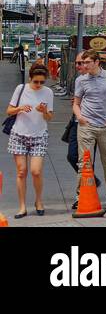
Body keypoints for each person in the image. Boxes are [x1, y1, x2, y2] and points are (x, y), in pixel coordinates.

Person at [7, 62, 54, 217]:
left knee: (36, 171)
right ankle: (22, 206)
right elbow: (9, 111)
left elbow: (49, 117)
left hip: (39, 135)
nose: (39, 84)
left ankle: (38, 201)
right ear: (30, 78)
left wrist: (44, 111)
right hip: (19, 134)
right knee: (21, 172)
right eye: (36, 81)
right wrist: (20, 108)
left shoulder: (48, 92)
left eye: (42, 82)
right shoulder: (20, 89)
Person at [73, 50, 106, 202]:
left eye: (87, 62)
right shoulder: (81, 80)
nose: (84, 65)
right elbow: (76, 103)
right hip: (87, 126)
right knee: (85, 163)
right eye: (83, 62)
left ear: (96, 62)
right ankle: (82, 197)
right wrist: (80, 117)